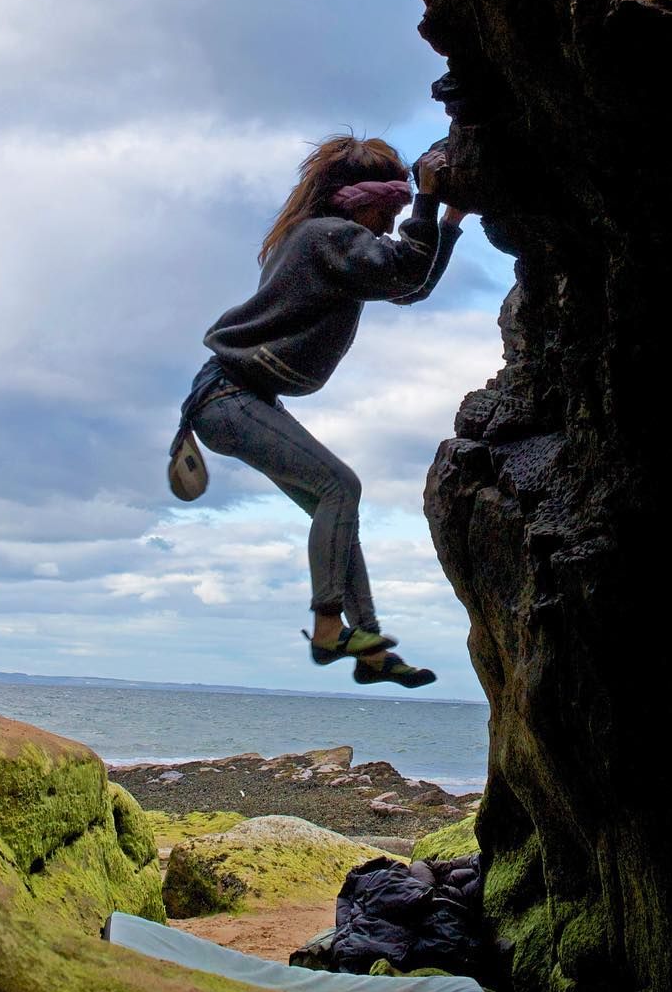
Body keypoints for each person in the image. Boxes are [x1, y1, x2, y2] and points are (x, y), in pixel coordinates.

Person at [179, 135, 465, 688]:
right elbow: (405, 269)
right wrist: (431, 203)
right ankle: (330, 628)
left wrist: (449, 218)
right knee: (341, 488)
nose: (394, 216)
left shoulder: (329, 240)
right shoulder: (327, 237)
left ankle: (371, 648)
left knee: (335, 509)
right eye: (392, 205)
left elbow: (409, 288)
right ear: (357, 200)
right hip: (227, 396)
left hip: (237, 398)